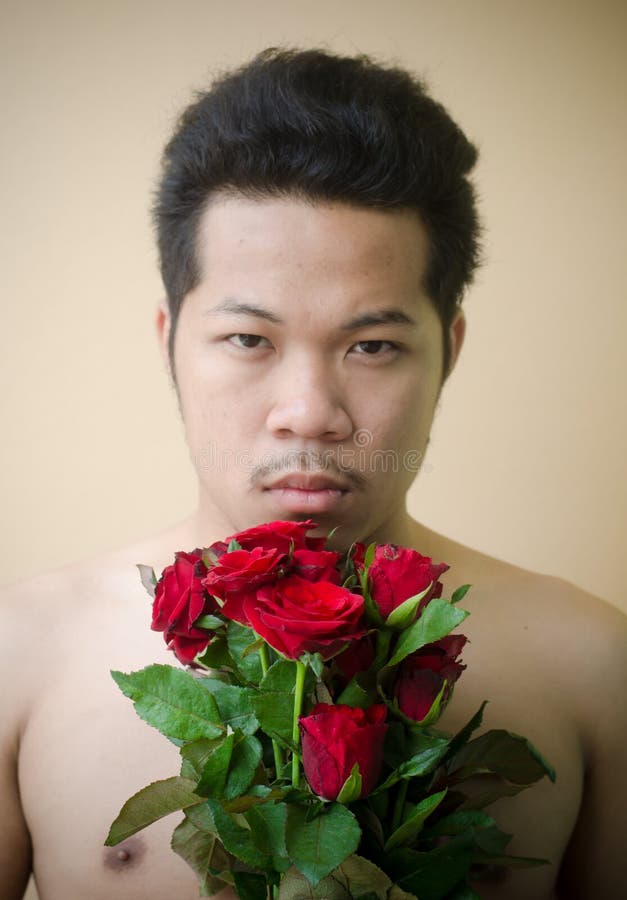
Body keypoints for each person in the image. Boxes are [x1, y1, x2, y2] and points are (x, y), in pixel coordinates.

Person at [1, 47, 625, 900]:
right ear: (169, 343)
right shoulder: (21, 654)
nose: (308, 412)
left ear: (448, 351)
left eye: (372, 346)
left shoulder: (591, 667)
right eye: (247, 339)